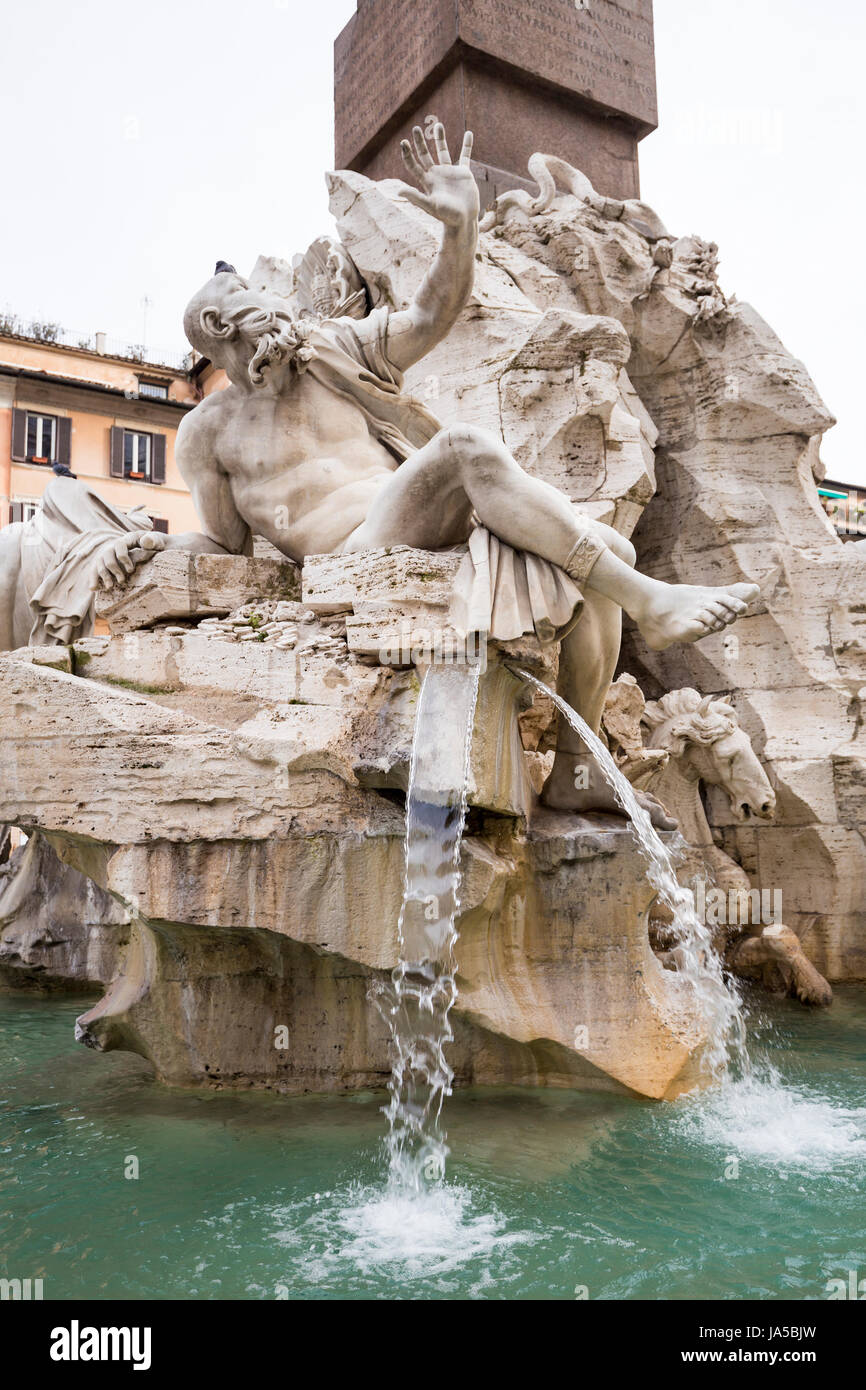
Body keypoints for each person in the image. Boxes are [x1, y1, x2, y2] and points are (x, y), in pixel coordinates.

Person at [168, 126, 759, 818]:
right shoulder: (206, 432)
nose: (273, 309)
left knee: (609, 549)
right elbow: (221, 547)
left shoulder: (335, 348)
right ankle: (651, 601)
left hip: (419, 523)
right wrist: (138, 545)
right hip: (352, 558)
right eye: (247, 297)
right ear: (218, 322)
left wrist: (460, 225)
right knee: (463, 449)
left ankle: (577, 769)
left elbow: (431, 313)